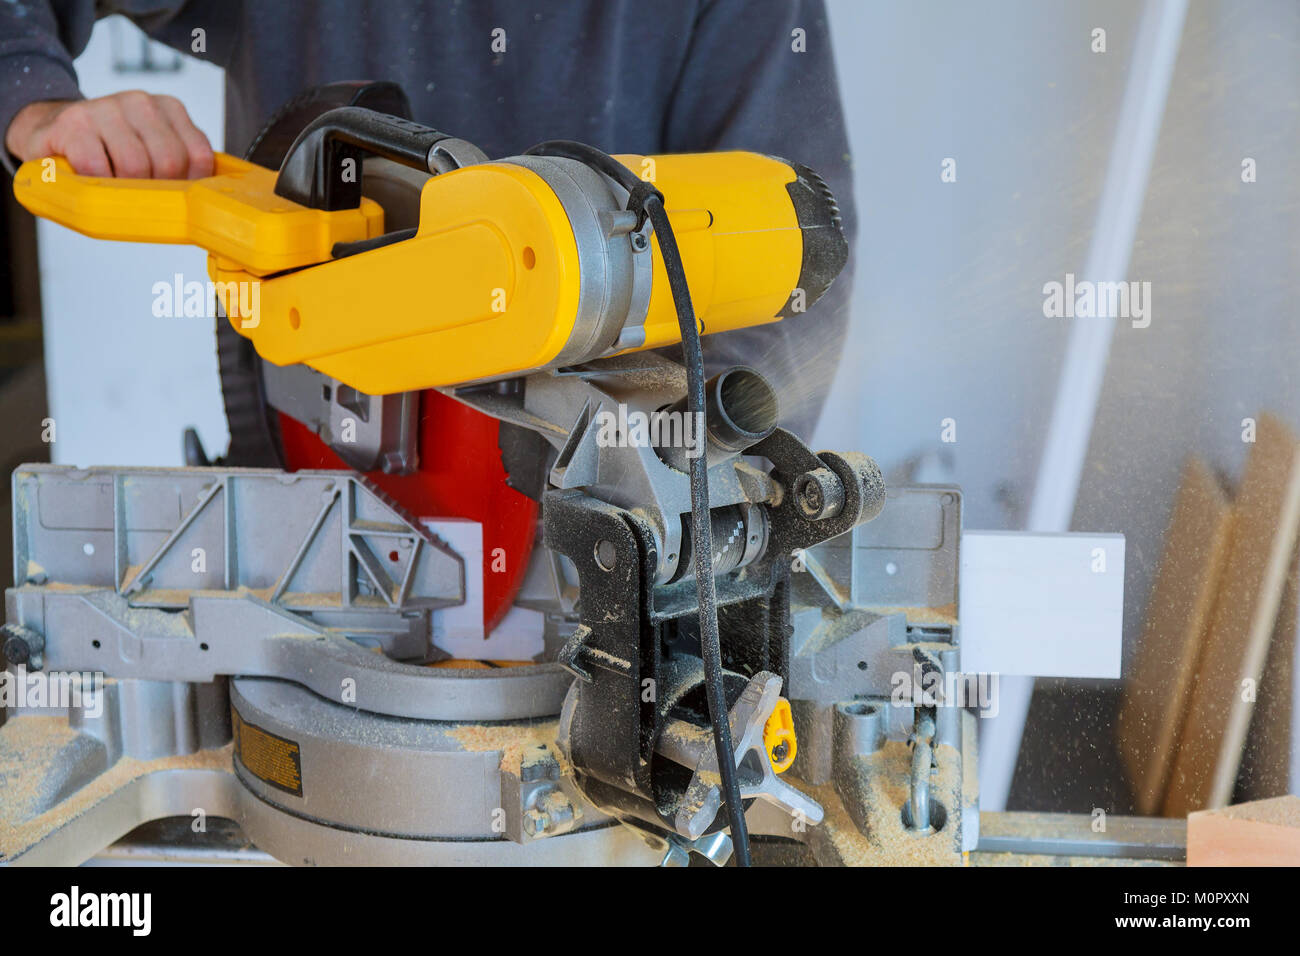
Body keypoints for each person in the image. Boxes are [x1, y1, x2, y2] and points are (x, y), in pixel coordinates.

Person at [0, 0, 854, 436]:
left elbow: (796, 246)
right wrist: (34, 104)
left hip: (593, 514)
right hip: (323, 480)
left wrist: (685, 472)